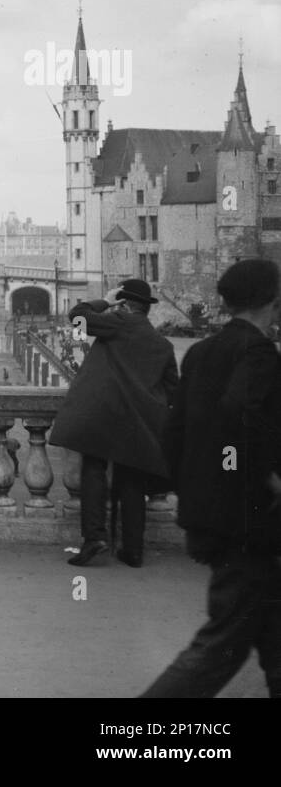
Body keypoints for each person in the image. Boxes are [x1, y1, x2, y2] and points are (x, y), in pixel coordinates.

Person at [140, 258, 281, 698]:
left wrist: (195, 494)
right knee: (219, 647)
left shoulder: (201, 353)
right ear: (273, 303)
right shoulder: (259, 354)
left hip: (211, 516)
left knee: (271, 637)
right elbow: (242, 413)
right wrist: (270, 478)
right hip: (249, 523)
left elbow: (175, 433)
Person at [50, 279, 178, 567]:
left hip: (104, 414)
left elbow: (77, 319)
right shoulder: (163, 345)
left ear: (124, 305)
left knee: (94, 469)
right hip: (140, 422)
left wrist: (104, 302)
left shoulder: (118, 322)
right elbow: (173, 391)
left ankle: (95, 537)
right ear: (147, 309)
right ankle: (133, 549)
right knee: (132, 479)